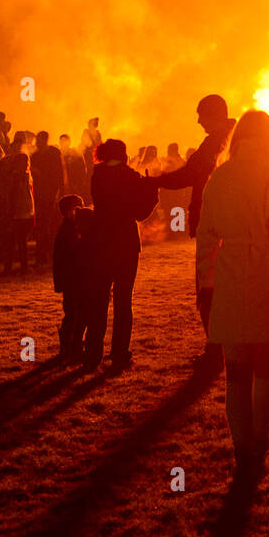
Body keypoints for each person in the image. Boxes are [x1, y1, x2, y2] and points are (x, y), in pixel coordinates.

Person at [197, 110, 269, 472]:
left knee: (235, 370)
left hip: (230, 276)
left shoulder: (220, 176)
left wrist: (205, 282)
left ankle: (240, 444)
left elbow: (205, 235)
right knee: (266, 366)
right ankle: (260, 436)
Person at [155, 94, 236, 356]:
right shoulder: (234, 138)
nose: (198, 121)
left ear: (215, 115)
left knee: (208, 286)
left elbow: (190, 174)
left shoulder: (216, 142)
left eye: (202, 115)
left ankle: (216, 345)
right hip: (233, 222)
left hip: (212, 223)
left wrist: (154, 181)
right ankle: (228, 341)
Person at [84, 139, 158, 371]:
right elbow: (139, 213)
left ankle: (93, 351)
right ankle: (119, 353)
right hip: (125, 243)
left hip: (100, 241)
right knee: (123, 300)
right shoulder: (132, 177)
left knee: (99, 299)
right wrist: (151, 193)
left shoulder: (97, 175)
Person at [52, 195, 86, 363]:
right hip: (71, 280)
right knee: (72, 313)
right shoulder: (66, 232)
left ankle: (74, 343)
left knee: (80, 312)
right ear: (66, 212)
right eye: (76, 208)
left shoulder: (78, 228)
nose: (80, 211)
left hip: (79, 279)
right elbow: (58, 261)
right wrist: (59, 283)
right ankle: (68, 343)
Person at [30, 131, 64, 267]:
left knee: (50, 225)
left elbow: (60, 173)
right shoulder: (35, 155)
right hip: (38, 194)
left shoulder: (54, 153)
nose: (38, 143)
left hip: (51, 193)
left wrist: (59, 191)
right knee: (41, 225)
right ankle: (42, 256)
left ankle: (49, 255)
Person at [4, 151, 35, 274]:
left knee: (21, 240)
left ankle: (22, 266)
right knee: (13, 241)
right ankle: (11, 267)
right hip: (16, 211)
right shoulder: (14, 176)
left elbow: (29, 194)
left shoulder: (27, 175)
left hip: (26, 210)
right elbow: (12, 194)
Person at [60, 134, 90, 202]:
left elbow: (83, 167)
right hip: (63, 185)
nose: (63, 143)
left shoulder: (76, 152)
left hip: (75, 184)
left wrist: (82, 181)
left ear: (69, 142)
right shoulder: (58, 154)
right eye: (61, 141)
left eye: (65, 141)